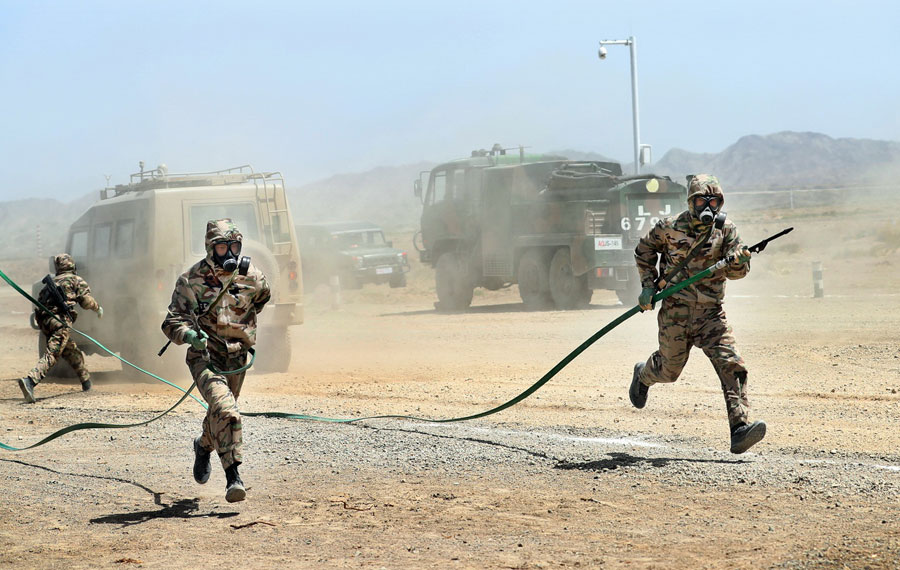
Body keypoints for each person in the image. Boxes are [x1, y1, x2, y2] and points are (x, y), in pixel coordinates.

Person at [629, 174, 765, 454]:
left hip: (711, 314)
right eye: (701, 200)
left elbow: (738, 273)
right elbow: (644, 251)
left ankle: (739, 429)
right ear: (690, 202)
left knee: (731, 364)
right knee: (669, 371)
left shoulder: (726, 230)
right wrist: (647, 286)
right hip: (675, 312)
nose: (708, 206)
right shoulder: (668, 227)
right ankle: (643, 375)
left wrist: (739, 263)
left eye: (713, 201)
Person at [162, 219, 270, 503]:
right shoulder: (191, 279)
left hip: (237, 358)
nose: (230, 253)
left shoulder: (253, 276)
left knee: (220, 414)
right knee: (228, 411)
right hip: (205, 358)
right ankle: (233, 477)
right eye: (222, 247)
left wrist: (242, 324)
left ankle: (202, 445)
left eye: (234, 246)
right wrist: (189, 335)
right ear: (211, 249)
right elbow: (172, 321)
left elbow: (262, 298)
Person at [18, 254, 103, 403]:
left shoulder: (51, 283)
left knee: (71, 350)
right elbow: (86, 301)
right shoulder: (76, 280)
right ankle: (30, 381)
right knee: (53, 354)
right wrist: (98, 308)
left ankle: (86, 382)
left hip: (46, 322)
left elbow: (39, 305)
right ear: (72, 266)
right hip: (60, 321)